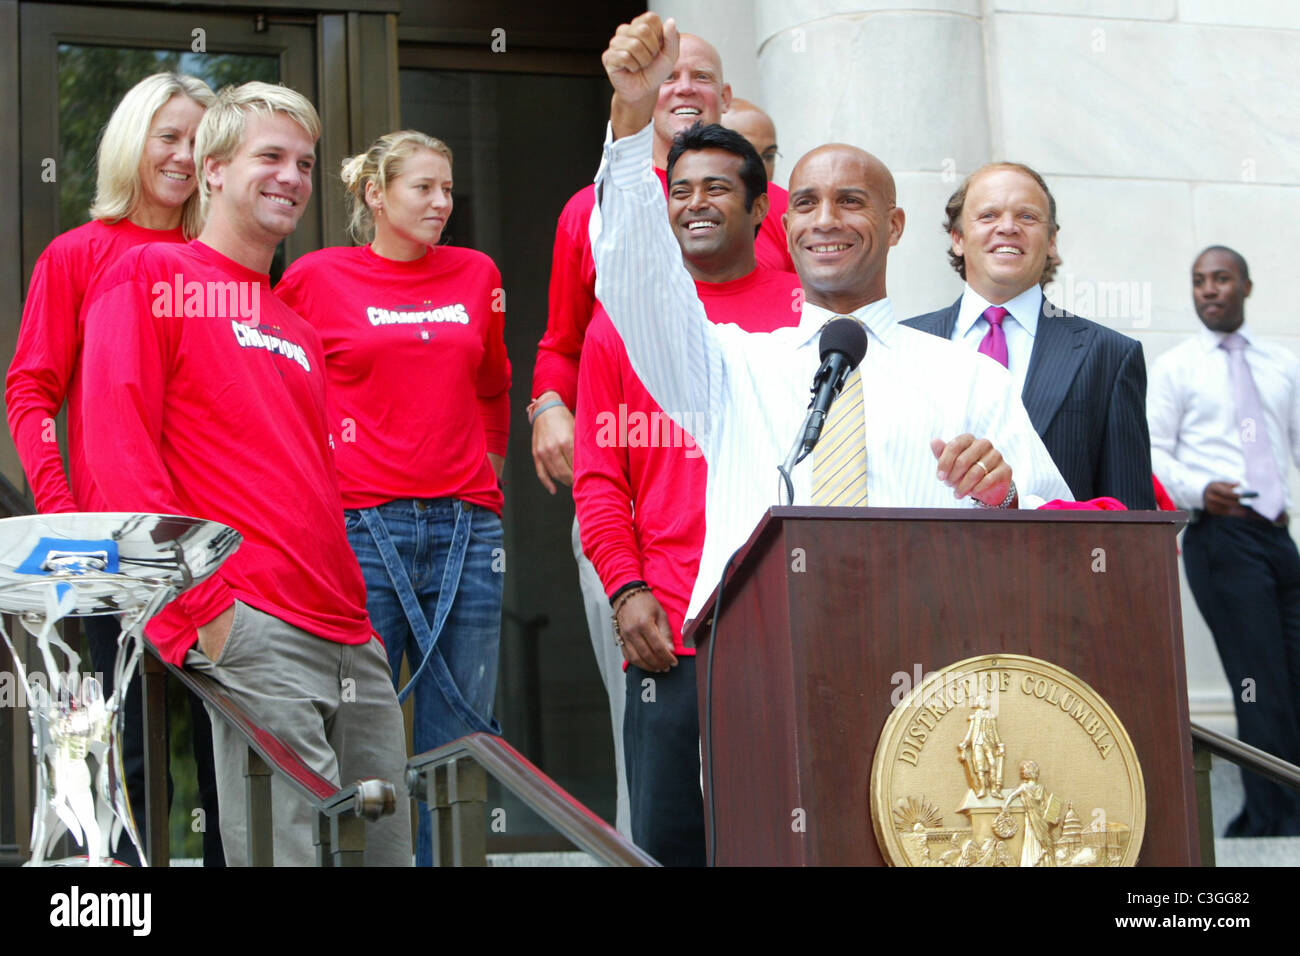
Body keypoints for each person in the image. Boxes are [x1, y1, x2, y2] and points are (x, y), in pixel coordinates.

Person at [593, 14, 1072, 634]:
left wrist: (1004, 496)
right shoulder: (730, 365)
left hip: (930, 666)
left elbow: (1057, 525)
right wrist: (632, 116)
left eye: (851, 202)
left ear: (895, 226)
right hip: (765, 652)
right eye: (805, 204)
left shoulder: (971, 378)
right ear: (784, 227)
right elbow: (637, 282)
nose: (825, 220)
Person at [80, 81, 413, 865]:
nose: (293, 177)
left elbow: (311, 480)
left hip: (348, 629)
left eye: (304, 162)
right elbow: (117, 450)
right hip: (253, 623)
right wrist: (198, 615)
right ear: (213, 170)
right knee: (285, 854)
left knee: (383, 850)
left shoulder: (293, 321)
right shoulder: (149, 277)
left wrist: (359, 616)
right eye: (271, 156)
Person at [532, 29, 797, 839]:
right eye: (682, 191)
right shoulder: (609, 244)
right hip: (659, 582)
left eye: (702, 77)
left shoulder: (800, 309)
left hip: (777, 605)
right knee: (660, 798)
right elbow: (565, 350)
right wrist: (549, 404)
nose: (696, 204)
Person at [5, 71, 224, 866]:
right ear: (132, 143)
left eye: (199, 141)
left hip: (215, 542)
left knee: (223, 750)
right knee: (115, 744)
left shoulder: (223, 261)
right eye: (167, 136)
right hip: (106, 540)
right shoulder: (79, 254)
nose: (182, 155)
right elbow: (31, 389)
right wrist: (63, 510)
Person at [275, 130, 509, 867]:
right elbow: (278, 390)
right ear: (376, 194)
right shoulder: (315, 277)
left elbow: (494, 387)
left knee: (463, 730)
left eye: (448, 189)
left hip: (467, 529)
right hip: (358, 524)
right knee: (361, 726)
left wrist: (483, 481)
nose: (442, 203)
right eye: (423, 189)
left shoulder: (476, 273)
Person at [1148, 245, 1300, 837]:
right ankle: (1270, 822)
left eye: (1221, 279)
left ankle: (1285, 807)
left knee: (1291, 672)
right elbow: (1154, 452)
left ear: (1246, 287)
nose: (1208, 290)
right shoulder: (1176, 368)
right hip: (1220, 539)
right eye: (1198, 281)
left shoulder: (1282, 364)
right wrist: (1199, 489)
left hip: (1276, 538)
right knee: (1256, 673)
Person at [903, 164, 1155, 509]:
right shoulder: (900, 344)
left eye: (1027, 216)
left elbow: (1130, 518)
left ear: (1051, 241)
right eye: (988, 215)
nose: (1007, 228)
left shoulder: (1109, 355)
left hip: (1056, 561)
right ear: (958, 239)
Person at [721, 97, 780, 183]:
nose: (761, 169)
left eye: (769, 156)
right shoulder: (698, 195)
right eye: (746, 155)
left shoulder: (785, 196)